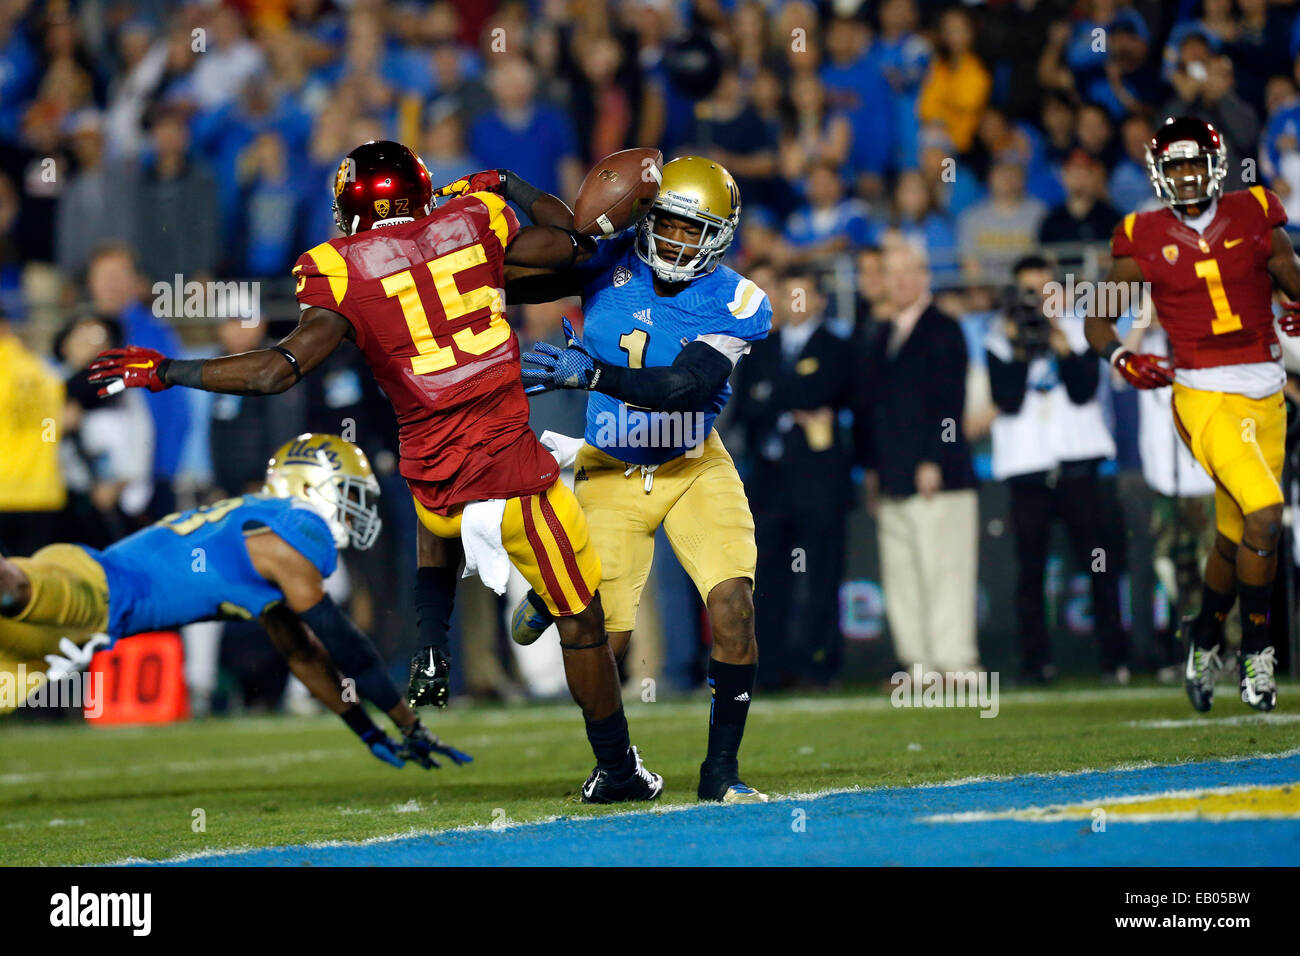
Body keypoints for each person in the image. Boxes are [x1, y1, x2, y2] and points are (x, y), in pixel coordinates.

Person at [89, 141, 661, 803]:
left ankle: (430, 651)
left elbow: (277, 369)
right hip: (512, 469)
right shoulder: (474, 219)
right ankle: (617, 768)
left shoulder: (338, 267)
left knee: (436, 558)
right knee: (582, 622)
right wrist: (507, 180)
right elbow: (574, 245)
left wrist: (169, 370)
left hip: (432, 482)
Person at [508, 156, 773, 804]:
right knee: (605, 640)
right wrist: (511, 193)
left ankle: (721, 773)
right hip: (609, 469)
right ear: (647, 216)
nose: (679, 241)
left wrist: (593, 376)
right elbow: (515, 278)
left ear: (719, 236)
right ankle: (616, 765)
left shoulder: (737, 300)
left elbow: (686, 387)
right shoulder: (611, 257)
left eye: (695, 230)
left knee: (733, 606)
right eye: (670, 225)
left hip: (691, 465)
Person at [0, 433, 468, 770]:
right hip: (94, 588)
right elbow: (346, 644)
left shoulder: (259, 534)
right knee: (15, 588)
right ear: (308, 488)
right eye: (347, 493)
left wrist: (366, 731)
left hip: (78, 628)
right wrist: (409, 724)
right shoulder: (292, 531)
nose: (357, 508)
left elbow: (302, 653)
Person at [1085, 117, 1300, 712]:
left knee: (1237, 535)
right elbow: (1096, 317)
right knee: (1265, 512)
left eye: (1193, 163)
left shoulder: (1256, 209)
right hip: (1201, 392)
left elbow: (1291, 279)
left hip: (1267, 391)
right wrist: (1122, 356)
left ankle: (1203, 635)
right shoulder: (1142, 233)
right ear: (1159, 173)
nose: (1185, 175)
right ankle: (1258, 652)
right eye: (1174, 166)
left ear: (1215, 164)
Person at [986, 255, 1126, 683]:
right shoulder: (999, 336)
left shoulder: (1081, 329)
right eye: (1029, 292)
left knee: (1098, 563)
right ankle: (1034, 663)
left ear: (1059, 292)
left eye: (1045, 291)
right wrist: (1019, 348)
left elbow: (1084, 391)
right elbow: (1007, 400)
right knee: (1030, 569)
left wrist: (1062, 344)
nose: (1039, 301)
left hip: (1077, 462)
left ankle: (1113, 659)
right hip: (1028, 467)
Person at [855, 241, 979, 677]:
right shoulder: (882, 333)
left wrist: (933, 460)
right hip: (891, 476)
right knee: (903, 575)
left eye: (909, 272)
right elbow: (870, 410)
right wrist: (871, 470)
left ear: (925, 276)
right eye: (893, 273)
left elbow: (950, 401)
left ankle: (955, 661)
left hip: (938, 477)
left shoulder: (944, 327)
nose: (901, 281)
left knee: (945, 570)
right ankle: (919, 664)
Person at [733, 271, 854, 688]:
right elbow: (747, 405)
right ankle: (772, 667)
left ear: (820, 299)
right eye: (786, 293)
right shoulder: (761, 349)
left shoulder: (837, 347)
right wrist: (794, 398)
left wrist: (776, 396)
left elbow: (828, 389)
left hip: (819, 482)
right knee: (768, 577)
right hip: (770, 481)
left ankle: (820, 664)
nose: (793, 301)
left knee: (821, 574)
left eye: (801, 293)